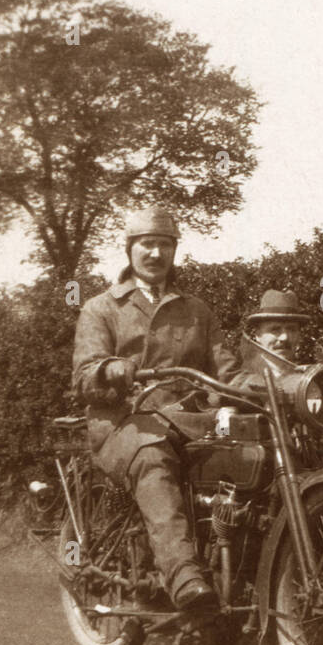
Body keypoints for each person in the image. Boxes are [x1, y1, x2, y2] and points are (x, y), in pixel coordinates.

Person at [71, 206, 240, 612]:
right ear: (129, 250)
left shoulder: (197, 310)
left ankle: (233, 578)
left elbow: (227, 371)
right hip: (122, 425)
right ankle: (184, 579)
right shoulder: (101, 308)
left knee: (247, 463)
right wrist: (112, 369)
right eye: (146, 244)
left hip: (188, 423)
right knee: (153, 460)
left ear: (174, 251)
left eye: (164, 245)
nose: (155, 253)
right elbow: (83, 376)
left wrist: (272, 388)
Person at [229, 290, 312, 393]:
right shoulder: (239, 379)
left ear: (299, 335)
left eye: (291, 329)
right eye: (275, 329)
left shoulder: (309, 380)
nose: (284, 337)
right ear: (258, 335)